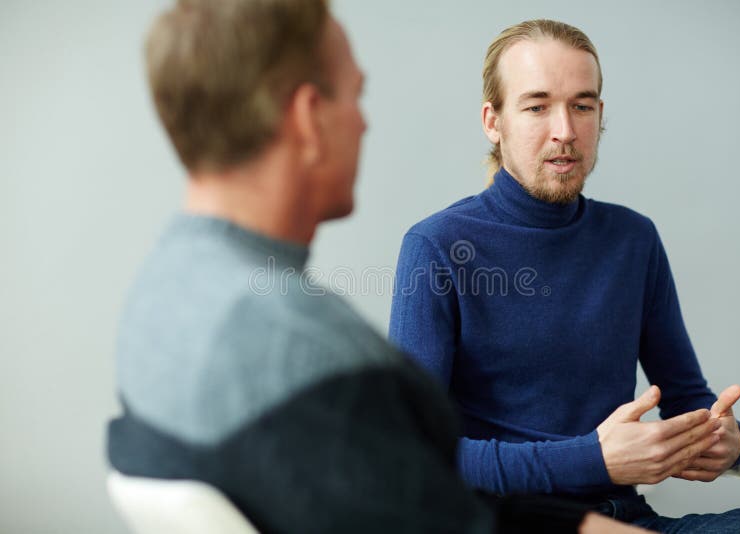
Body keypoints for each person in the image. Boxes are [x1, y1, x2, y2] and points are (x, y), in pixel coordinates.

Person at [105, 2, 642, 532]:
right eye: (355, 96)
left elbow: (427, 503)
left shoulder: (166, 287)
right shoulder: (310, 355)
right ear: (309, 118)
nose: (363, 123)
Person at [389, 18, 740, 531]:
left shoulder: (633, 239)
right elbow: (410, 452)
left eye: (581, 106)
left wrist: (724, 439)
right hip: (512, 522)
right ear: (494, 122)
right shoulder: (437, 247)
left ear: (600, 115)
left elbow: (688, 399)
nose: (565, 131)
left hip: (630, 519)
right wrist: (594, 459)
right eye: (537, 106)